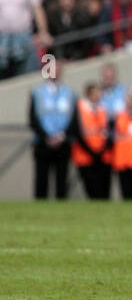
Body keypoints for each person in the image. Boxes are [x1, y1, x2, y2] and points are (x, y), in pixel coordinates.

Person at [29, 59, 76, 199]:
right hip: (43, 142)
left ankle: (62, 212)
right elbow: (33, 118)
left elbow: (74, 118)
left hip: (63, 142)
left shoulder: (70, 93)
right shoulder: (38, 93)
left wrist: (62, 136)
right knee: (41, 179)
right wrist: (46, 137)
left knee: (62, 180)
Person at [70, 81, 113, 199]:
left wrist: (102, 150)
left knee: (104, 190)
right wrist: (92, 151)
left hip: (103, 156)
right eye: (96, 92)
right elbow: (77, 132)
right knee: (92, 189)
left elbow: (108, 132)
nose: (99, 95)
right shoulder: (80, 108)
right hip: (85, 155)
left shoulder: (103, 109)